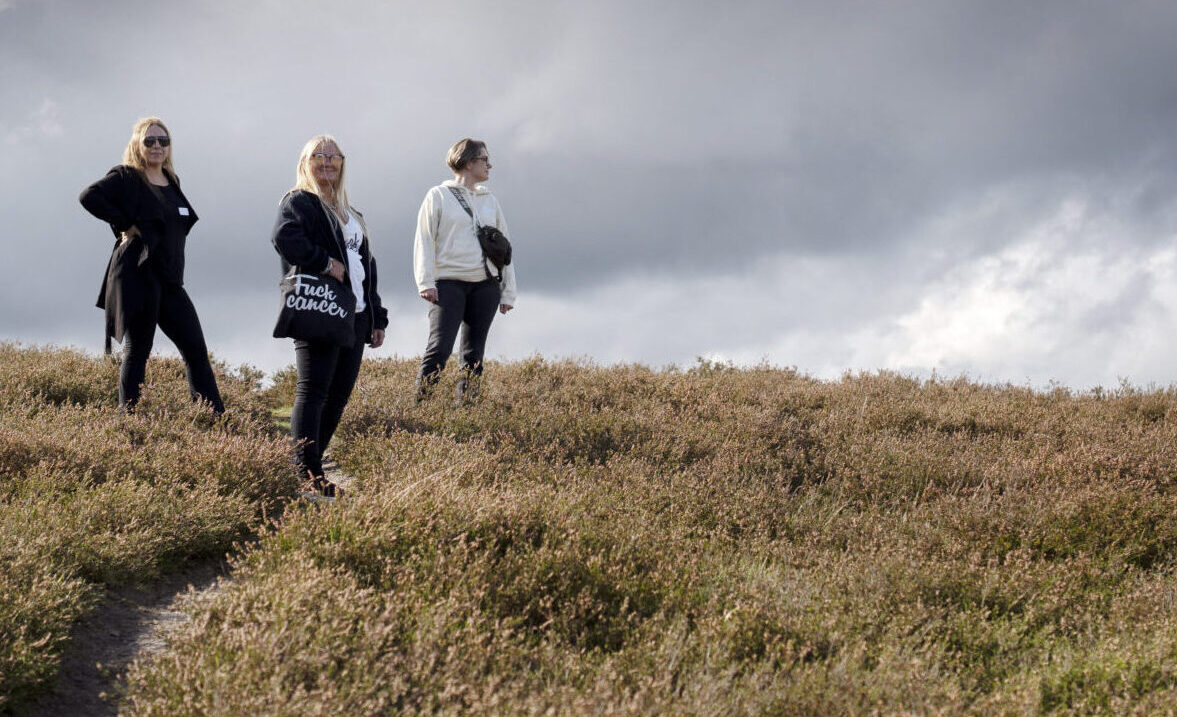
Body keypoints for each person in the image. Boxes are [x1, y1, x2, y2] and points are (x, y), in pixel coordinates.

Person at [79, 116, 224, 413]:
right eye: (150, 141)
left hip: (170, 280)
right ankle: (129, 421)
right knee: (138, 351)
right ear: (137, 144)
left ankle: (215, 421)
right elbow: (88, 197)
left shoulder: (172, 181)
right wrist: (124, 223)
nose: (157, 146)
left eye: (163, 141)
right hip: (139, 275)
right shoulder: (126, 176)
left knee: (195, 349)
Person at [271, 135, 388, 498]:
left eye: (333, 156)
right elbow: (284, 238)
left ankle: (311, 464)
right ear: (306, 162)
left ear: (342, 163)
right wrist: (324, 262)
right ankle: (307, 471)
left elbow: (366, 267)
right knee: (313, 390)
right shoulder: (299, 201)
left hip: (354, 314)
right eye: (318, 156)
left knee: (338, 395)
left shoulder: (354, 215)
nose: (327, 162)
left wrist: (377, 316)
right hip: (320, 307)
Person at [413, 138, 516, 402]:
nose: (489, 165)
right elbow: (424, 239)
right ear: (469, 162)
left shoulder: (490, 200)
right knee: (440, 349)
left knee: (473, 355)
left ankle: (466, 413)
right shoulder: (438, 195)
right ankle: (418, 408)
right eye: (484, 159)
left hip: (486, 286)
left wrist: (508, 293)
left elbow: (504, 250)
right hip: (448, 284)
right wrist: (425, 282)